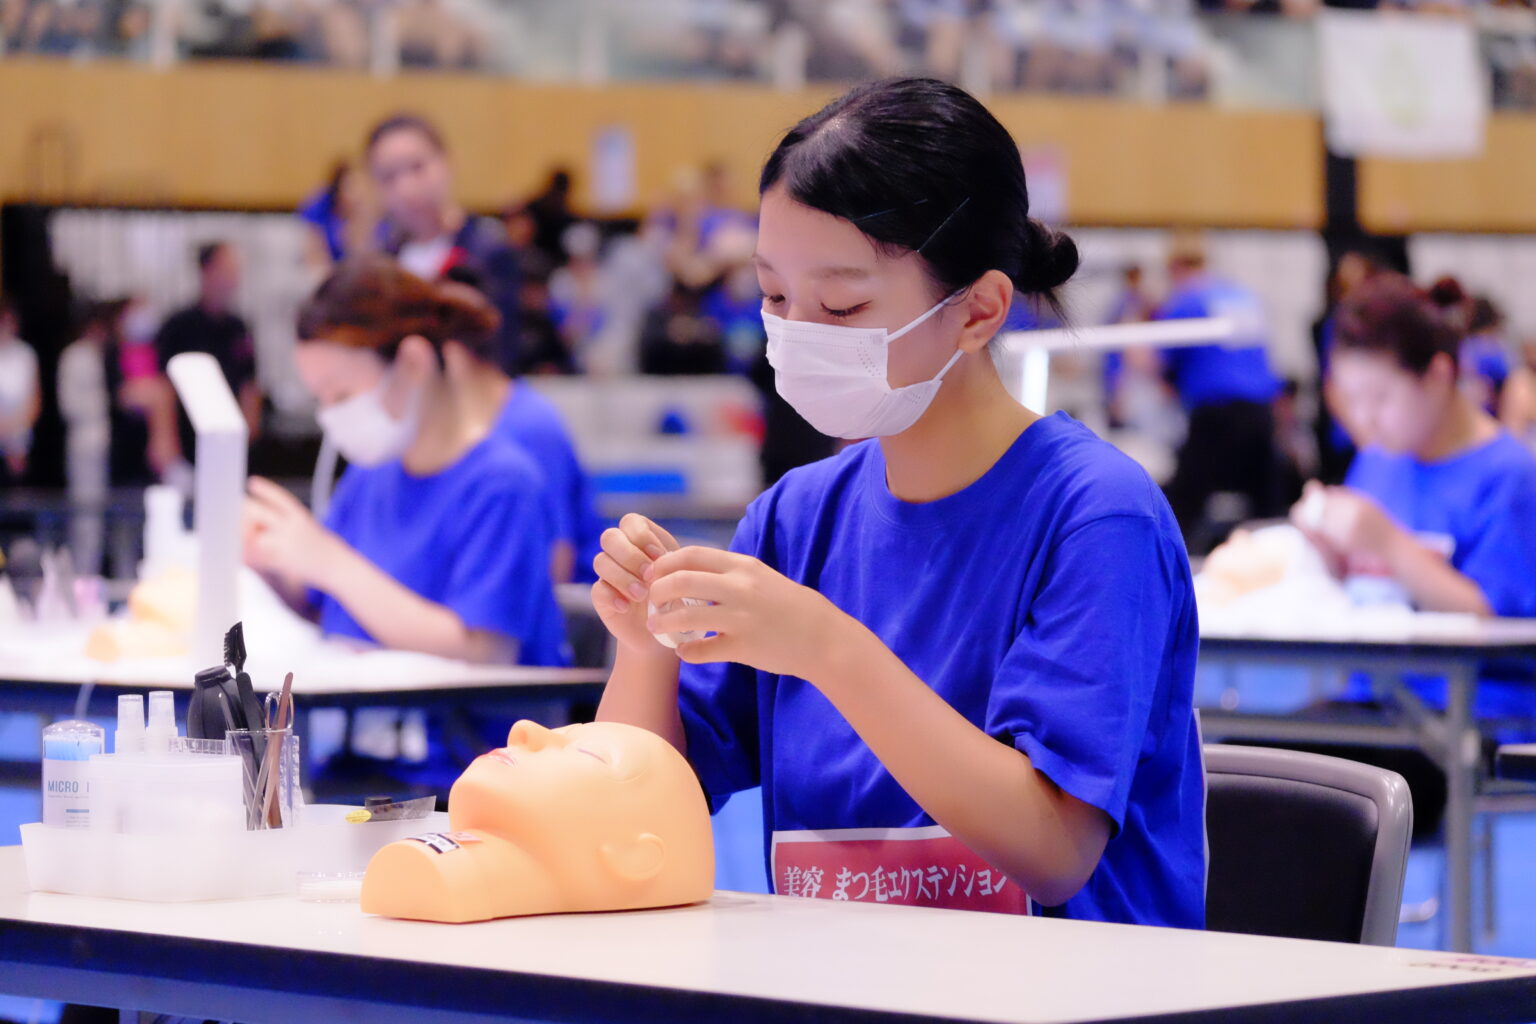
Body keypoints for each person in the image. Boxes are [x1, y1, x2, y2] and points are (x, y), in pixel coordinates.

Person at [592, 79, 1204, 927]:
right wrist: (644, 645)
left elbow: (1054, 852)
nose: (799, 332)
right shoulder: (793, 518)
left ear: (979, 311)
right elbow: (639, 812)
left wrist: (824, 645)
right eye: (774, 296)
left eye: (841, 305)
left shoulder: (1095, 515)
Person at [242, 257, 568, 666]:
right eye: (319, 400)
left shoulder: (502, 485)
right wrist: (270, 557)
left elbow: (485, 651)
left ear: (413, 362)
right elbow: (323, 606)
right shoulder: (370, 477)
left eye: (341, 395)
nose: (330, 417)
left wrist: (330, 563)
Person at [1294, 273, 1536, 630]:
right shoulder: (1377, 461)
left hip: (1467, 686)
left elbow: (1500, 625)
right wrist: (1327, 548)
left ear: (1438, 375)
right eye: (1352, 399)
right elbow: (1360, 593)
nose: (1364, 418)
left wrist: (1389, 545)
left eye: (1380, 398)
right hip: (1367, 680)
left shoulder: (1508, 477)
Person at [1154, 231, 1284, 552]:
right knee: (1265, 502)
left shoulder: (1186, 298)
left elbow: (1156, 359)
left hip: (1217, 413)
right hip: (1261, 411)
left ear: (1175, 268)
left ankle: (1167, 560)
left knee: (1183, 501)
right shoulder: (1242, 296)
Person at [368, 113, 521, 373]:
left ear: (447, 162)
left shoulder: (488, 253)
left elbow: (503, 354)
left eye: (417, 167)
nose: (406, 187)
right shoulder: (379, 268)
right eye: (389, 177)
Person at [155, 241, 263, 452]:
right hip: (186, 434)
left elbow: (249, 383)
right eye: (227, 269)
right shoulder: (178, 325)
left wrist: (249, 429)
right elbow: (162, 386)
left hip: (229, 438)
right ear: (207, 270)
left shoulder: (238, 327)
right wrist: (164, 439)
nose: (234, 277)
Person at [0, 297, 41, 486]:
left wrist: (14, 433)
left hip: (19, 442)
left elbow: (35, 402)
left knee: (17, 502)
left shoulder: (25, 355)